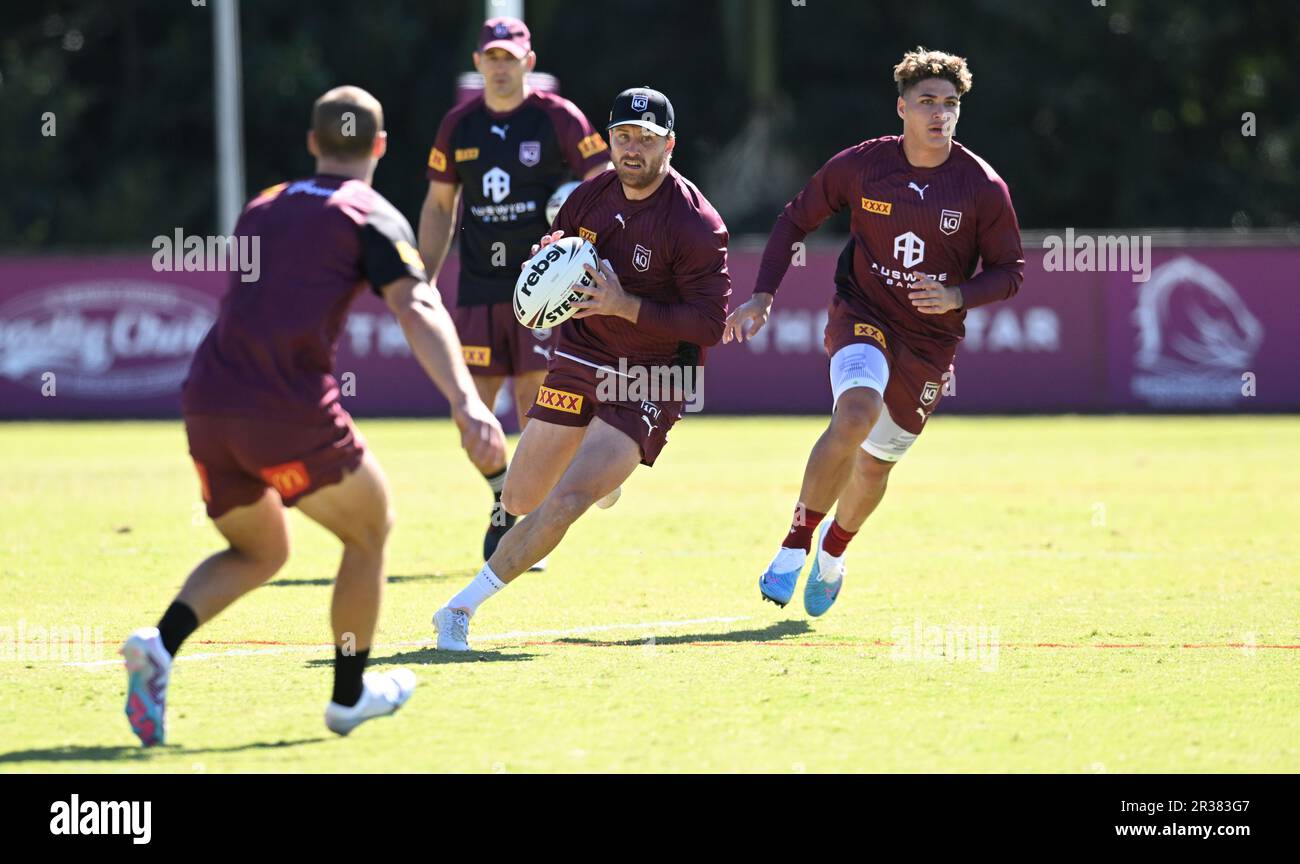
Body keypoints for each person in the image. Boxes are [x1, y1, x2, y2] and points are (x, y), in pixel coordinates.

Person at [121, 86, 507, 745]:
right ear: (380, 147)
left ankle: (159, 645)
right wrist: (466, 400)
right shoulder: (372, 215)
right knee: (370, 529)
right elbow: (415, 307)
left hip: (208, 399)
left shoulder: (263, 204)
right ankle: (349, 695)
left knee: (259, 548)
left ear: (312, 143)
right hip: (285, 406)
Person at [724, 47, 1025, 617]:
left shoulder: (982, 187)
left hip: (931, 344)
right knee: (855, 413)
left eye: (950, 103)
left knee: (875, 463)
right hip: (863, 312)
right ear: (902, 108)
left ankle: (834, 553)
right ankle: (793, 544)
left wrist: (958, 296)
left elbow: (1011, 273)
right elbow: (796, 218)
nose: (940, 113)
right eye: (927, 102)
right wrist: (763, 294)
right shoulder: (863, 166)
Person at [430, 87, 730, 651]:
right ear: (609, 139)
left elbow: (710, 325)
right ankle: (602, 481)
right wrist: (550, 262)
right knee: (518, 500)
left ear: (671, 144)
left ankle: (458, 610)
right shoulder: (586, 199)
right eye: (622, 137)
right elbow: (564, 258)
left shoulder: (696, 224)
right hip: (579, 355)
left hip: (650, 378)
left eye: (646, 139)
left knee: (565, 502)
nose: (632, 149)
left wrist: (626, 306)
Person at [419, 16, 612, 564]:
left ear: (529, 62)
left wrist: (579, 236)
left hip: (544, 291)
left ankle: (526, 518)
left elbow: (604, 185)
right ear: (478, 64)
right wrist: (424, 279)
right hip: (478, 287)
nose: (501, 67)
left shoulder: (560, 119)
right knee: (471, 416)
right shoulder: (459, 126)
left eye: (511, 58)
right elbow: (438, 206)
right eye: (492, 58)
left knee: (536, 406)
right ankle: (504, 493)